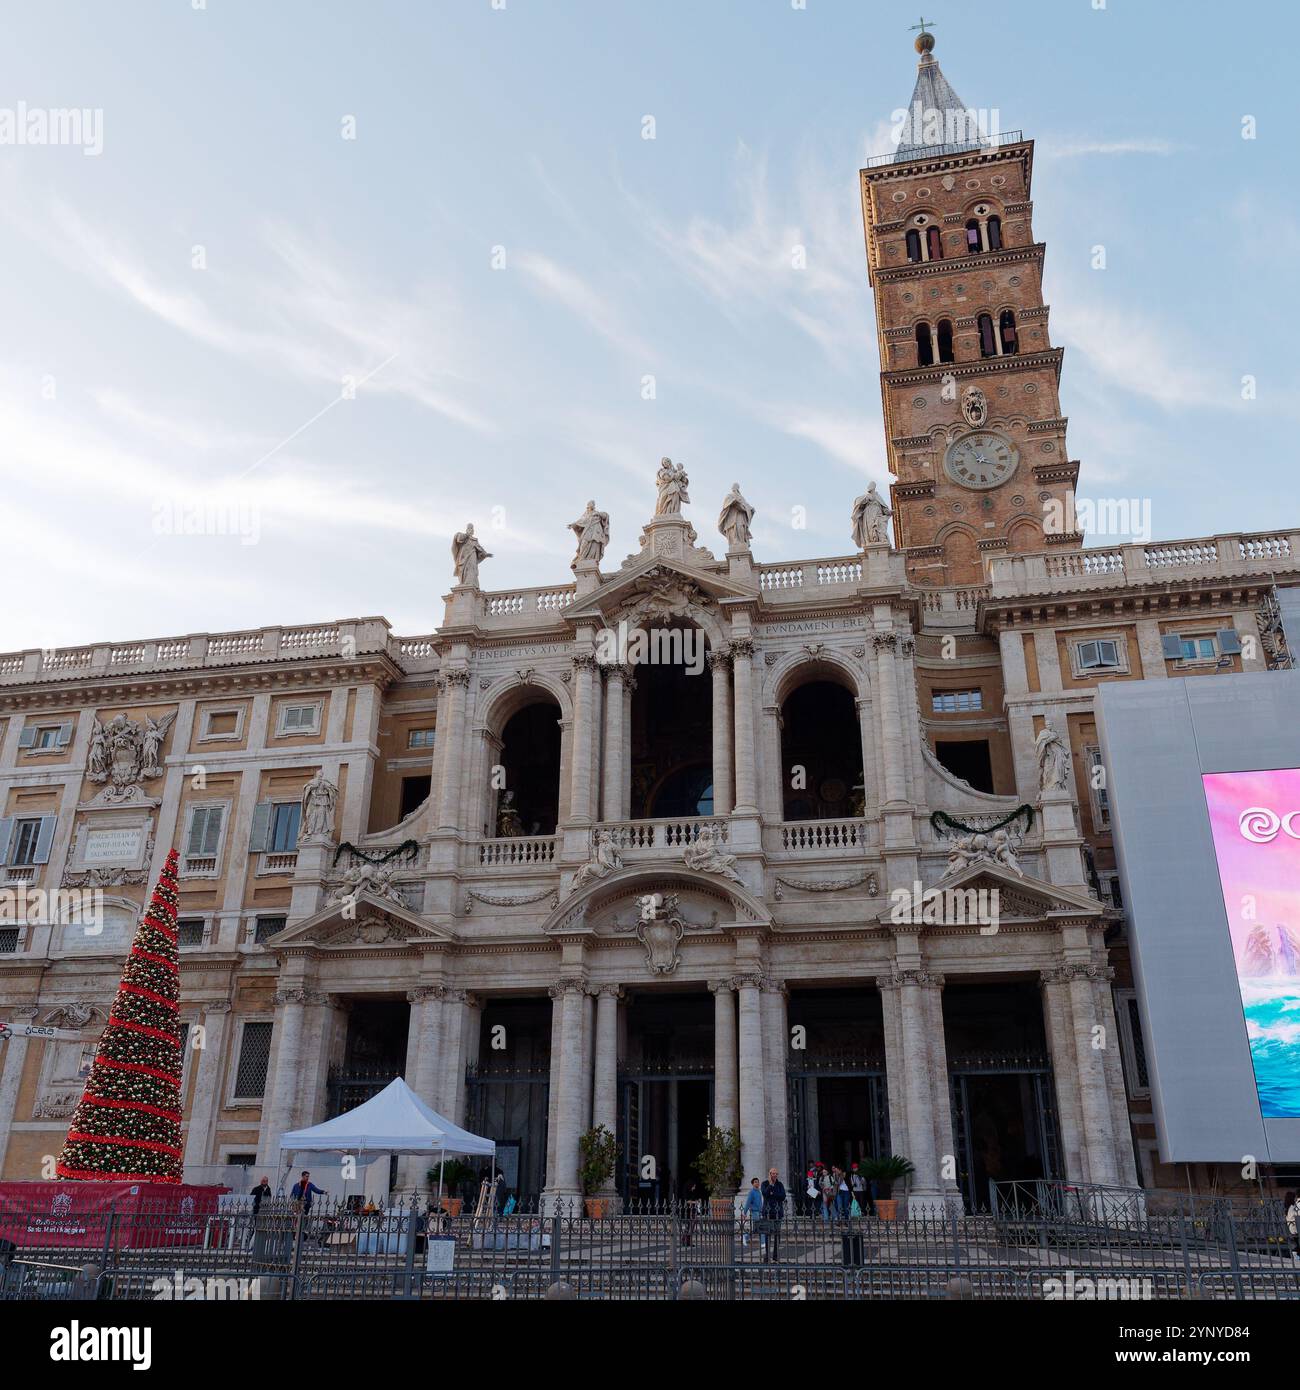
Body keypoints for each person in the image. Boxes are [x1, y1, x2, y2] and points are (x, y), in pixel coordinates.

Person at [760, 1168, 787, 1264]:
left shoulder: (780, 1184)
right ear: (769, 1174)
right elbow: (765, 1194)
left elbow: (783, 1196)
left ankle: (775, 1257)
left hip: (777, 1212)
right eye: (773, 1174)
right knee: (767, 1235)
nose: (774, 1175)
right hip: (767, 1213)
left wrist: (773, 1193)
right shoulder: (764, 1184)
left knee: (777, 1235)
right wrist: (771, 1186)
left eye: (776, 1174)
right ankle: (767, 1257)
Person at [741, 1177, 764, 1249]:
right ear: (752, 1184)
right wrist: (744, 1213)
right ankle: (763, 1242)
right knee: (760, 1228)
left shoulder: (759, 1192)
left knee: (756, 1229)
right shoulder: (751, 1192)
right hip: (754, 1212)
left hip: (759, 1212)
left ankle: (745, 1236)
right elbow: (748, 1203)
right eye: (755, 1182)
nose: (757, 1183)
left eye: (758, 1182)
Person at [1285, 1190, 1300, 1264]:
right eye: (1294, 1198)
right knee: (1297, 1243)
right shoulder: (1292, 1207)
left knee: (1296, 1244)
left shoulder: (1289, 1207)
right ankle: (1296, 1256)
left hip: (1292, 1228)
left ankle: (1295, 1255)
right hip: (1295, 1229)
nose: (1295, 1199)